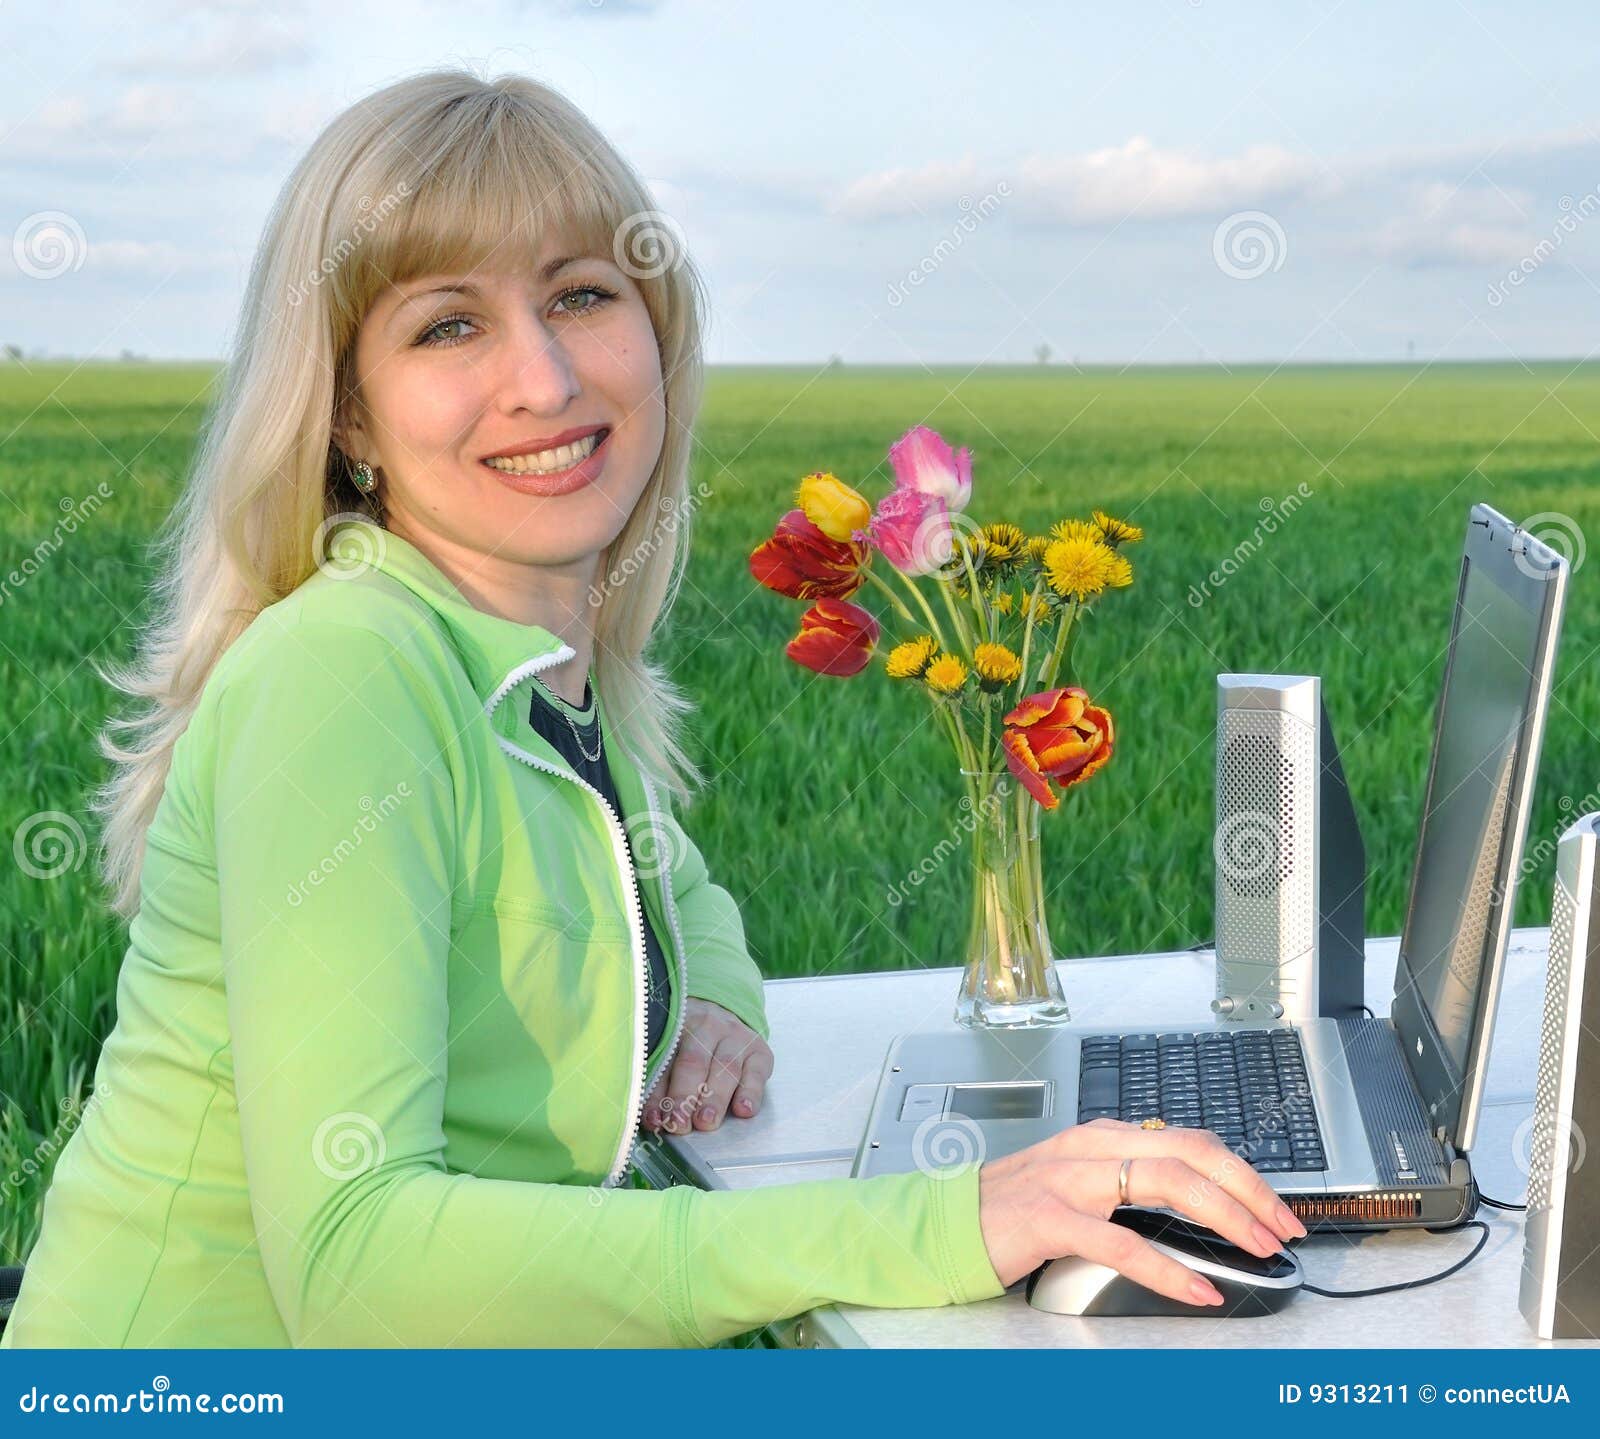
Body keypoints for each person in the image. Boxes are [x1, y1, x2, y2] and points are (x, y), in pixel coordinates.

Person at [1, 68, 1304, 1349]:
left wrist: (716, 1000)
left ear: (658, 332)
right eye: (449, 325)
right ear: (348, 413)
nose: (548, 380)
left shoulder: (527, 656)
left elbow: (664, 882)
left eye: (580, 295)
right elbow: (356, 1266)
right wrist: (945, 1222)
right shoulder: (348, 674)